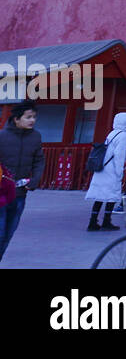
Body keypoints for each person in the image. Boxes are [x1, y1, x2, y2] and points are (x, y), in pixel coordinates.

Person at [0, 102, 44, 263]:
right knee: (0, 234)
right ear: (17, 119)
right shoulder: (2, 137)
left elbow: (39, 161)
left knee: (8, 234)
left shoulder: (36, 137)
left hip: (19, 195)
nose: (32, 120)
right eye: (28, 117)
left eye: (34, 117)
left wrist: (35, 180)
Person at [86, 112, 126, 231]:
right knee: (111, 195)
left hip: (102, 168)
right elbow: (119, 156)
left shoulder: (112, 133)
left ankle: (93, 221)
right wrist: (119, 173)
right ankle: (106, 220)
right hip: (111, 169)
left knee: (99, 195)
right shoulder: (123, 135)